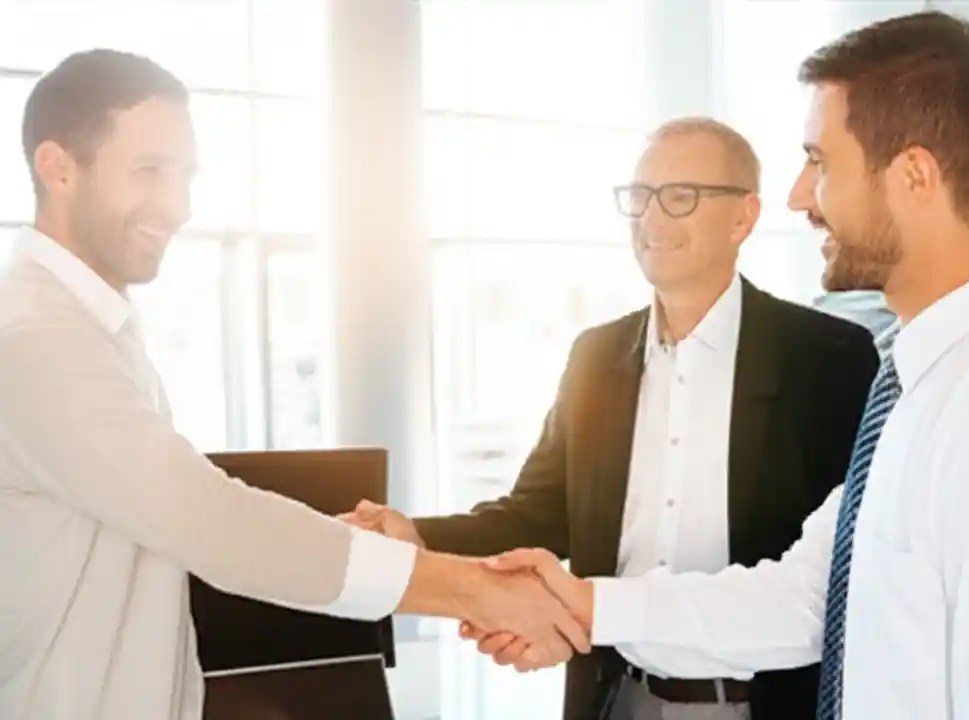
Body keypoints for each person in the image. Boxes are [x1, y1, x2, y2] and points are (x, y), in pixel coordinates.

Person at [462, 11, 969, 720]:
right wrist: (586, 605)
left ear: (914, 176)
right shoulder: (922, 383)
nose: (799, 196)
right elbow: (804, 599)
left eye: (820, 162)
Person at [0, 50, 585, 720]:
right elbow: (207, 521)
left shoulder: (91, 325)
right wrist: (472, 591)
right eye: (149, 171)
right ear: (58, 169)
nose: (179, 205)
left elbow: (153, 531)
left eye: (185, 175)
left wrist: (330, 544)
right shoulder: (35, 338)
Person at [345, 117, 880, 719]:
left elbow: (843, 567)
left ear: (744, 217)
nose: (652, 219)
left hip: (759, 703)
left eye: (680, 197)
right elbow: (538, 515)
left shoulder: (829, 356)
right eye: (640, 197)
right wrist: (420, 539)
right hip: (612, 695)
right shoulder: (596, 356)